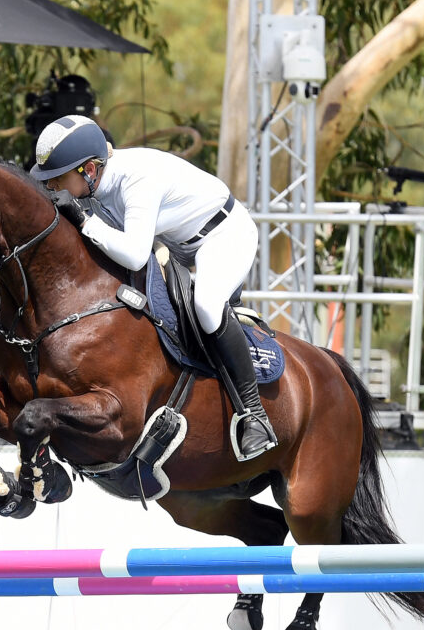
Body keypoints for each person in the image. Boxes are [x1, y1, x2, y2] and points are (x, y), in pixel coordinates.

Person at [31, 114, 277, 461]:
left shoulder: (136, 178)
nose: (53, 187)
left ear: (88, 169)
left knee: (206, 305)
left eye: (58, 180)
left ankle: (254, 415)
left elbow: (131, 255)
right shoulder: (97, 184)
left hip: (224, 235)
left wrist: (82, 219)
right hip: (175, 244)